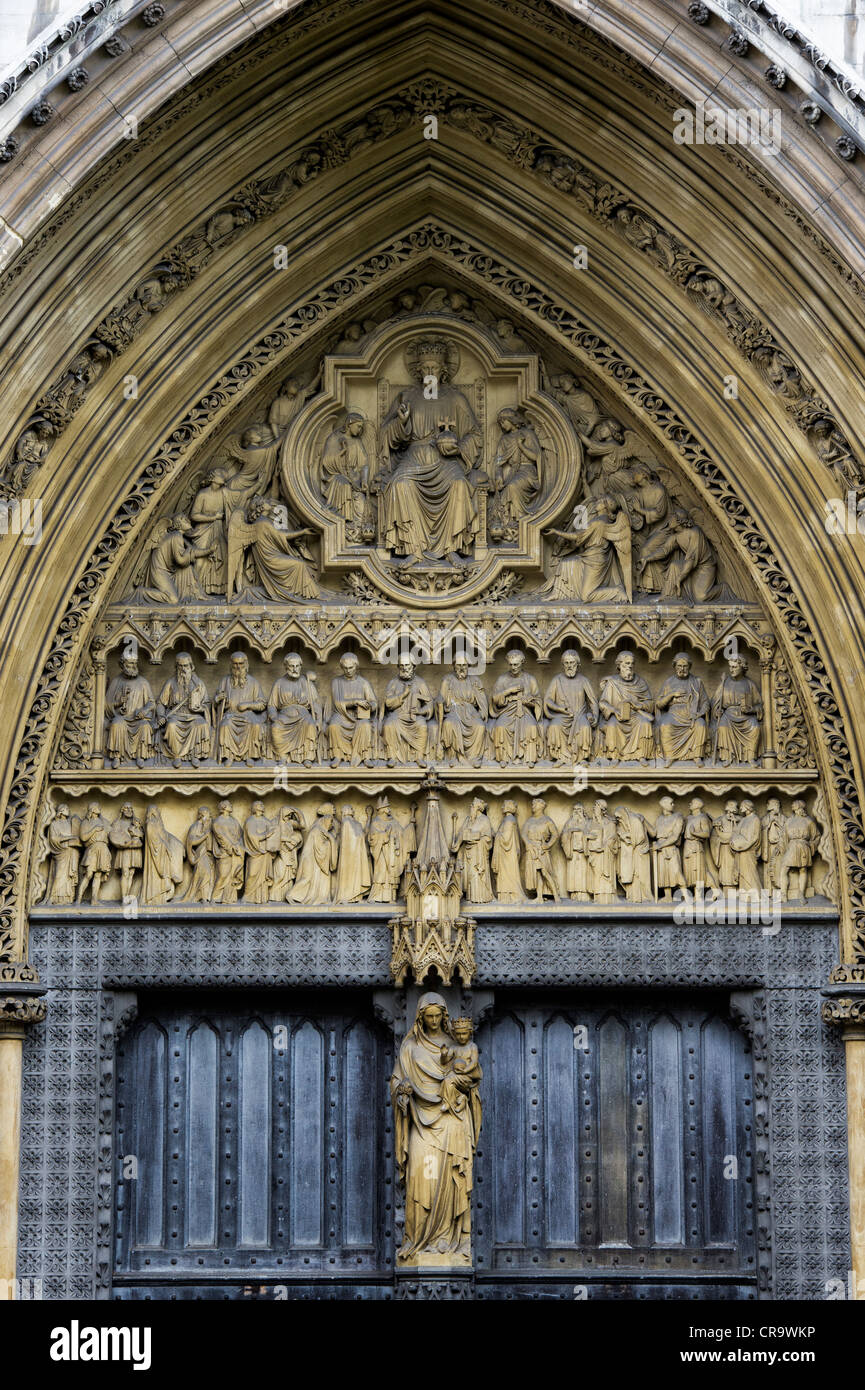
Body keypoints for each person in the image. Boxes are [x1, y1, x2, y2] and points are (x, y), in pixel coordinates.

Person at [390, 994, 481, 1267]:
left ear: (444, 1016)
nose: (433, 1021)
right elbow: (396, 1083)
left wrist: (460, 1084)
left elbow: (473, 1082)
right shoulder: (409, 1048)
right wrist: (402, 1092)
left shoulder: (458, 1046)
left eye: (437, 1016)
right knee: (422, 1179)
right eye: (428, 1016)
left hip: (451, 1122)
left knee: (452, 1181)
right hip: (421, 1122)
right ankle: (419, 1243)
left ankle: (450, 1243)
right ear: (420, 1017)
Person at [598, 652, 654, 763]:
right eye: (627, 663)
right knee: (612, 725)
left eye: (632, 663)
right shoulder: (613, 682)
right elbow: (603, 703)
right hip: (618, 716)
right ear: (619, 665)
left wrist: (639, 705)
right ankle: (615, 755)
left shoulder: (640, 682)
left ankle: (640, 754)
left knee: (645, 723)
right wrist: (614, 710)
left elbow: (650, 703)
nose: (630, 666)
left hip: (635, 715)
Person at [543, 650, 598, 763]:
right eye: (566, 663)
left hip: (580, 715)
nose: (569, 666)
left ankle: (582, 758)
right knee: (555, 727)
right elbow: (548, 700)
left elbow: (593, 701)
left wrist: (594, 716)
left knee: (585, 727)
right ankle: (561, 757)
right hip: (562, 715)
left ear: (578, 665)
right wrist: (559, 709)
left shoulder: (583, 680)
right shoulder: (557, 680)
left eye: (572, 663)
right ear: (563, 664)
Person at [156, 654, 211, 766]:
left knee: (201, 725)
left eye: (186, 666)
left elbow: (207, 703)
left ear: (191, 667)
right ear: (176, 667)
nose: (183, 669)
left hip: (193, 716)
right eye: (180, 666)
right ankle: (177, 755)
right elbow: (161, 703)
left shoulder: (198, 684)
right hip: (176, 715)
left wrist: (200, 708)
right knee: (171, 725)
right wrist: (161, 716)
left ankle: (194, 755)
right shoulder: (171, 683)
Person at [490, 649, 542, 766]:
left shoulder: (530, 679)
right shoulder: (502, 679)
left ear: (522, 663)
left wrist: (529, 702)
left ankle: (529, 758)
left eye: (516, 664)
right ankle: (504, 758)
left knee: (531, 727)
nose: (513, 667)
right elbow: (495, 699)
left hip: (524, 710)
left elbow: (538, 700)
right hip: (507, 710)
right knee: (500, 727)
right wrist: (508, 691)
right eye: (511, 664)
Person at [267, 653, 320, 765]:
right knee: (276, 727)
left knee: (310, 725)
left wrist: (319, 719)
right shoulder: (279, 683)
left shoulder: (306, 682)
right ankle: (283, 755)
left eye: (297, 666)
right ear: (286, 667)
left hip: (303, 715)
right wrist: (273, 716)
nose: (295, 669)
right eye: (291, 666)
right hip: (284, 716)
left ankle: (307, 757)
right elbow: (271, 705)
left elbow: (315, 704)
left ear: (301, 666)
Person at [654, 655, 709, 764]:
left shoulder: (697, 682)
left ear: (689, 667)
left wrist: (700, 714)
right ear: (674, 666)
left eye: (685, 666)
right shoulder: (669, 682)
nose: (682, 669)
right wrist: (671, 694)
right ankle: (670, 755)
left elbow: (705, 702)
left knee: (701, 724)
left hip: (691, 714)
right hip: (674, 714)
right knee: (665, 725)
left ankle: (696, 755)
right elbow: (659, 704)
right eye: (679, 666)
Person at [214, 652, 267, 764]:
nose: (238, 667)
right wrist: (218, 700)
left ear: (246, 664)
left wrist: (248, 705)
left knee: (255, 725)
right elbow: (216, 703)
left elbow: (262, 704)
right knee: (225, 725)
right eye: (235, 664)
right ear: (231, 665)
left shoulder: (253, 682)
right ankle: (228, 755)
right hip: (230, 715)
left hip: (248, 715)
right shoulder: (225, 681)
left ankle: (250, 756)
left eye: (241, 664)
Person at [326, 652, 378, 766]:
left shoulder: (364, 683)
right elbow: (337, 703)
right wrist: (354, 702)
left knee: (365, 725)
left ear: (356, 666)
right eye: (345, 668)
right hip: (341, 715)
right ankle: (337, 755)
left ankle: (365, 755)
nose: (348, 670)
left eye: (351, 667)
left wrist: (368, 705)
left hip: (358, 716)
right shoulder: (336, 682)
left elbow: (374, 703)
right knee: (333, 726)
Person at [105, 655, 156, 767]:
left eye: (134, 663)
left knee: (145, 726)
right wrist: (118, 703)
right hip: (122, 718)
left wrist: (144, 710)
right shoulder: (116, 682)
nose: (133, 666)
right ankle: (117, 756)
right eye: (130, 664)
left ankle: (140, 755)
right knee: (116, 724)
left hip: (138, 719)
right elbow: (105, 705)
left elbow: (152, 702)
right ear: (122, 665)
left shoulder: (143, 682)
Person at [712, 656, 763, 765]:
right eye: (730, 667)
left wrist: (752, 709)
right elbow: (716, 702)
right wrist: (718, 710)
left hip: (746, 716)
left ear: (742, 667)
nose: (731, 670)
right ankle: (728, 756)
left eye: (735, 667)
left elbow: (759, 705)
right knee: (722, 727)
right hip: (728, 715)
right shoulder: (724, 683)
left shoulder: (750, 684)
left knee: (755, 728)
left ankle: (751, 757)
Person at [382, 658, 433, 765]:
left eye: (407, 666)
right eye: (402, 666)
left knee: (422, 726)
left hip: (415, 716)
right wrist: (403, 695)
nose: (404, 668)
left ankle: (419, 757)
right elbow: (388, 703)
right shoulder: (393, 682)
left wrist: (419, 711)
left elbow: (429, 704)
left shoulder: (420, 683)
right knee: (389, 725)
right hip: (397, 715)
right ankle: (392, 757)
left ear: (413, 667)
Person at [439, 656, 488, 765]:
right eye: (459, 665)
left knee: (480, 726)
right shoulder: (447, 680)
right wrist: (440, 702)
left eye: (464, 665)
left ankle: (474, 758)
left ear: (468, 666)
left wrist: (482, 712)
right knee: (449, 724)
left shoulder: (475, 680)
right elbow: (441, 699)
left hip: (470, 712)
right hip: (453, 710)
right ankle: (453, 757)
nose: (461, 668)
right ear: (454, 666)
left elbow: (482, 699)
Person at [289, 803, 338, 903]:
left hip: (319, 862)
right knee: (307, 879)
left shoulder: (323, 832)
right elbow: (320, 849)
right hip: (312, 860)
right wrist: (331, 841)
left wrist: (330, 839)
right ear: (325, 821)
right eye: (330, 822)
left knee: (321, 880)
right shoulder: (316, 831)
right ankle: (290, 895)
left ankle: (322, 898)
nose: (331, 825)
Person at [452, 798, 494, 903]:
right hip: (468, 853)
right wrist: (457, 844)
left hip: (479, 852)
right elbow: (462, 833)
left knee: (477, 874)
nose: (470, 807)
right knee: (469, 875)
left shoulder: (485, 820)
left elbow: (488, 838)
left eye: (472, 805)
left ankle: (480, 898)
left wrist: (477, 839)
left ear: (478, 808)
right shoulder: (468, 819)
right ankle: (470, 897)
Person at [521, 797, 560, 902]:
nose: (533, 805)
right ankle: (539, 897)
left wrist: (548, 845)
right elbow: (523, 834)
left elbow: (555, 834)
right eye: (532, 804)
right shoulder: (530, 820)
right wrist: (528, 843)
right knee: (537, 874)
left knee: (545, 872)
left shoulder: (547, 820)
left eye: (535, 804)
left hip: (541, 849)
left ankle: (556, 895)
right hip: (532, 849)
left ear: (541, 806)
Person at [333, 804, 372, 903]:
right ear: (345, 811)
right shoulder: (346, 822)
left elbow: (363, 834)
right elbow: (352, 838)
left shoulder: (356, 823)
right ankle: (347, 896)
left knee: (357, 875)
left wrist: (369, 817)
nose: (352, 810)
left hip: (357, 853)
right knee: (350, 875)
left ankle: (357, 896)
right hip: (350, 855)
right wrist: (360, 838)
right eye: (350, 808)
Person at [76, 802, 112, 903]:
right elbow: (83, 837)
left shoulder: (104, 822)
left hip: (103, 848)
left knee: (98, 875)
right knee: (88, 874)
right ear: (91, 809)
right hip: (92, 848)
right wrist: (94, 829)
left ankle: (94, 900)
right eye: (96, 806)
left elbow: (113, 835)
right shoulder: (86, 822)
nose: (99, 808)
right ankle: (78, 899)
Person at [45, 804, 81, 905]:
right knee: (59, 875)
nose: (68, 810)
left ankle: (68, 898)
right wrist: (69, 837)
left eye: (68, 808)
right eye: (65, 809)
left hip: (72, 852)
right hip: (61, 851)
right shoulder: (54, 824)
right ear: (60, 811)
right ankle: (52, 898)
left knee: (70, 877)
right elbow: (53, 839)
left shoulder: (70, 823)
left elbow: (77, 834)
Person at [492, 800, 524, 902]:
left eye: (504, 805)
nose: (502, 807)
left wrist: (496, 835)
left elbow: (505, 839)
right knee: (509, 874)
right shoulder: (510, 819)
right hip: (509, 853)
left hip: (507, 853)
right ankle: (507, 896)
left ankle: (509, 896)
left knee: (508, 874)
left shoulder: (509, 820)